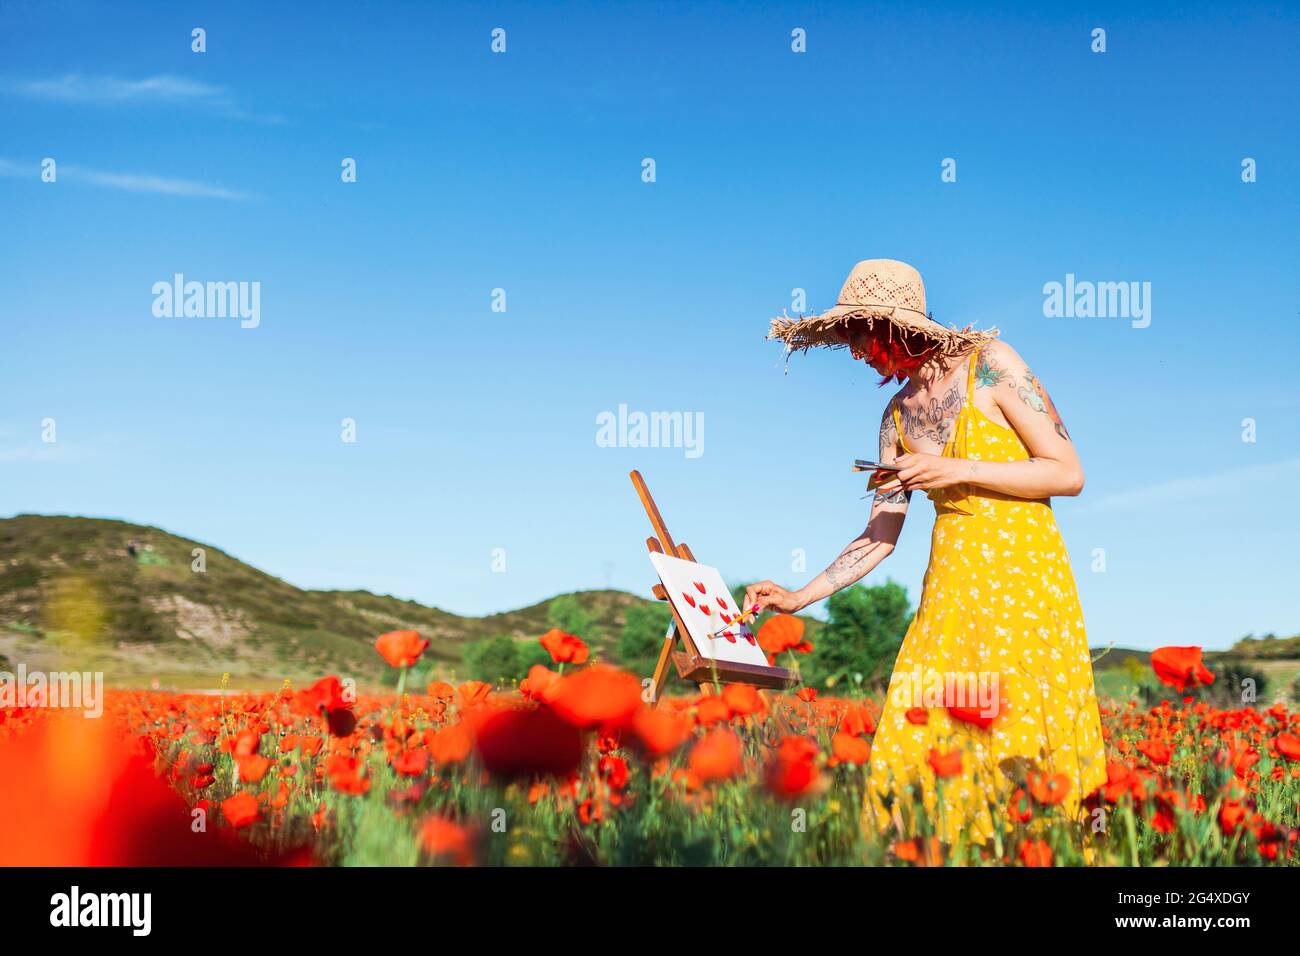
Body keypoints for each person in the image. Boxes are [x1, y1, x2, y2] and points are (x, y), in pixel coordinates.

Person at [746, 259, 1105, 844]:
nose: (856, 352)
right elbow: (880, 534)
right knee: (917, 733)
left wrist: (952, 467)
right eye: (846, 339)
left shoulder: (993, 365)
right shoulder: (894, 418)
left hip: (1025, 580)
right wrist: (798, 595)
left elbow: (1067, 473)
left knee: (1016, 730)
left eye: (859, 335)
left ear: (895, 326)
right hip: (950, 588)